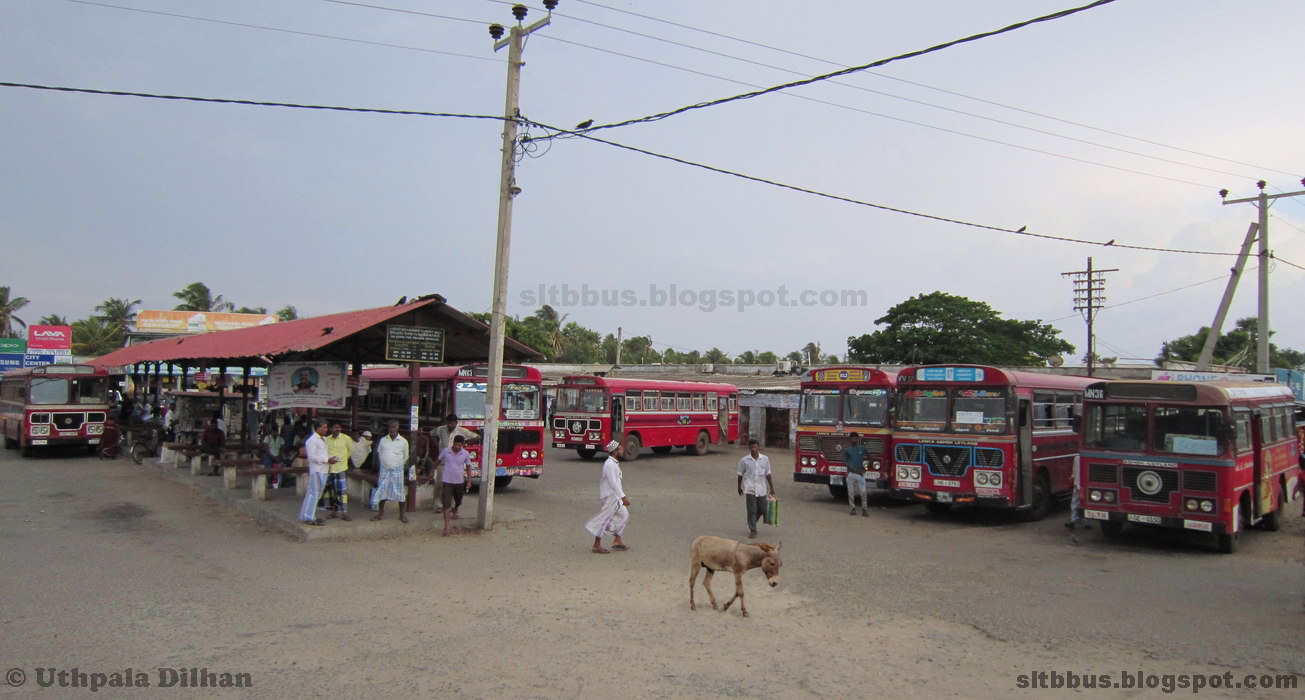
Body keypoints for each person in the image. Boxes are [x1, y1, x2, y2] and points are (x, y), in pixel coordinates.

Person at [584, 440, 631, 554]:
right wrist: (623, 497)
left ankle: (617, 540)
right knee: (604, 519)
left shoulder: (614, 463)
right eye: (620, 449)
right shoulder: (609, 464)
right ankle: (596, 544)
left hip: (615, 496)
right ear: (614, 451)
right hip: (610, 496)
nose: (622, 451)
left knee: (624, 515)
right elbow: (613, 483)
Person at [370, 420, 410, 523]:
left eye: (393, 427)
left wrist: (396, 464)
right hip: (384, 469)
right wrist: (385, 463)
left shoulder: (403, 441)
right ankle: (380, 514)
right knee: (382, 490)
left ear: (398, 427)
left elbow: (406, 456)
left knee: (400, 492)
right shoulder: (383, 440)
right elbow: (379, 453)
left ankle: (402, 515)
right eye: (390, 427)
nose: (391, 429)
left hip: (397, 469)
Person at [434, 435, 474, 536]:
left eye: (459, 445)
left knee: (459, 500)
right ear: (453, 443)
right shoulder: (446, 451)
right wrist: (432, 471)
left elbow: (468, 467)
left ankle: (455, 508)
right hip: (447, 481)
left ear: (463, 445)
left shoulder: (465, 453)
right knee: (446, 504)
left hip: (459, 482)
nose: (457, 447)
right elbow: (438, 460)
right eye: (456, 444)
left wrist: (469, 480)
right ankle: (447, 527)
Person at [737, 438, 776, 538]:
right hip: (749, 488)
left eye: (755, 447)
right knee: (751, 510)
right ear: (749, 448)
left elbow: (768, 474)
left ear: (758, 447)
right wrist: (739, 486)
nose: (753, 449)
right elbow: (740, 474)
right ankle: (753, 530)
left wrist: (772, 488)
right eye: (751, 447)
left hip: (761, 488)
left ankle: (753, 521)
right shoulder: (744, 460)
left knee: (763, 509)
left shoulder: (765, 459)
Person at [298, 419, 335, 526]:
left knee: (315, 493)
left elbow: (322, 453)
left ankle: (306, 514)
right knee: (314, 493)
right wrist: (326, 460)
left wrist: (330, 458)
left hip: (324, 469)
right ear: (317, 428)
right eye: (324, 427)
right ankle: (309, 516)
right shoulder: (312, 440)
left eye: (326, 427)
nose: (326, 429)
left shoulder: (323, 439)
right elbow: (312, 457)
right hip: (317, 470)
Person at [323, 422, 354, 521]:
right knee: (332, 491)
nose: (337, 429)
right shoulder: (326, 439)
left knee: (342, 492)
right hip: (330, 469)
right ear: (330, 429)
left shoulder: (346, 438)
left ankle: (345, 513)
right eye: (335, 427)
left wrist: (343, 459)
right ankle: (334, 512)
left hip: (341, 468)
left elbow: (350, 452)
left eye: (339, 427)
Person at [841, 432, 870, 516]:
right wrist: (851, 467)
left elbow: (871, 458)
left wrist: (866, 468)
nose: (853, 439)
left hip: (860, 474)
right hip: (851, 474)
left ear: (857, 439)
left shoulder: (862, 449)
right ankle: (852, 509)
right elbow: (845, 462)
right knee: (851, 493)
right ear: (850, 439)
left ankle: (864, 510)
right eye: (852, 438)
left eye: (855, 437)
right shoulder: (847, 450)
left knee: (863, 493)